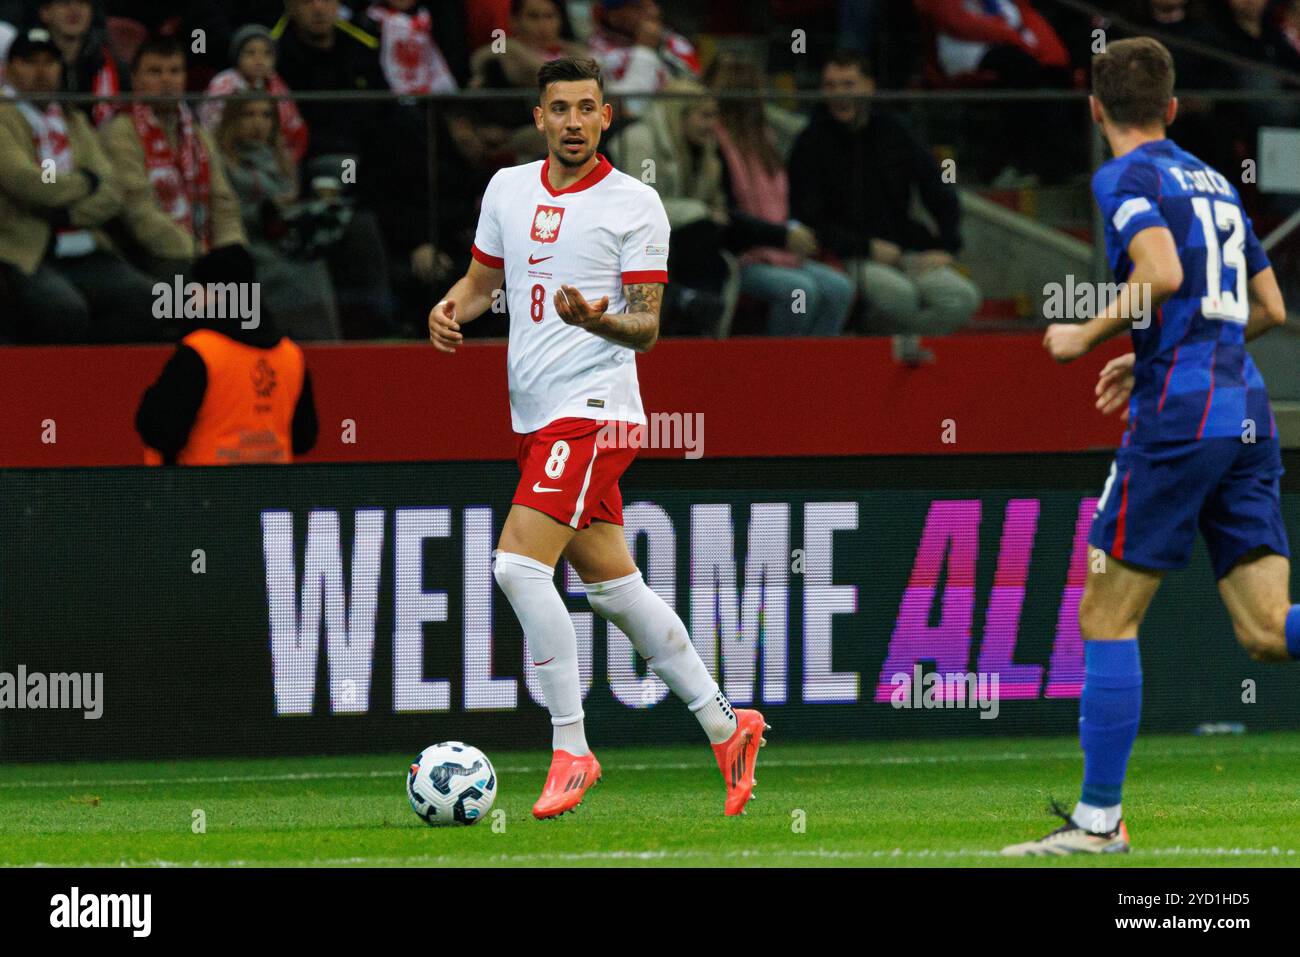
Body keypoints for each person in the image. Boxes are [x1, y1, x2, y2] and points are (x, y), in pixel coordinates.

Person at [426, 56, 768, 820]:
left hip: (596, 407)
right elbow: (483, 286)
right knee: (615, 588)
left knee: (516, 566)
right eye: (560, 108)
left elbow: (647, 326)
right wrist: (449, 308)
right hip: (536, 414)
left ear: (606, 116)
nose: (575, 121)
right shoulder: (506, 189)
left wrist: (597, 320)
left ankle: (572, 746)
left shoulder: (636, 203)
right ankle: (725, 722)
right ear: (540, 117)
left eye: (588, 107)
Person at [1006, 37, 1294, 856]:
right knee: (1268, 630)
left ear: (1095, 109)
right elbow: (1266, 305)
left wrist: (1091, 334)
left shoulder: (1125, 176)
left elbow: (1162, 271)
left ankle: (1099, 822)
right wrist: (1153, 348)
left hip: (1181, 423)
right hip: (1246, 413)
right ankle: (1098, 820)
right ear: (1171, 109)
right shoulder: (1213, 182)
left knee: (1104, 613)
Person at [789, 52, 980, 361]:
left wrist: (947, 245)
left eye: (848, 84)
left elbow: (937, 188)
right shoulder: (810, 142)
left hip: (905, 246)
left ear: (868, 87)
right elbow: (806, 218)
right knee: (900, 298)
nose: (839, 94)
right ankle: (889, 353)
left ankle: (886, 348)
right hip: (847, 254)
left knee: (961, 297)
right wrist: (865, 247)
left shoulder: (896, 130)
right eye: (831, 85)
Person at [0, 26, 154, 342]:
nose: (42, 72)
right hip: (29, 248)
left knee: (151, 301)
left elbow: (113, 188)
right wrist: (85, 182)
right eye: (30, 62)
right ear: (8, 69)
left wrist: (69, 215)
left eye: (50, 62)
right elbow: (31, 180)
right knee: (64, 311)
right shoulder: (4, 116)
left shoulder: (74, 119)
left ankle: (104, 383)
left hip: (84, 242)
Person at [136, 244, 319, 465]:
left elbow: (158, 431)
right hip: (271, 493)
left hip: (201, 492)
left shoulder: (199, 353)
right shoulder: (290, 355)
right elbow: (304, 439)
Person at [711, 56, 854, 336]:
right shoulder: (716, 144)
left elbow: (784, 204)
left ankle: (813, 367)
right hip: (741, 255)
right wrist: (781, 236)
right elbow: (728, 218)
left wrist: (795, 231)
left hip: (779, 248)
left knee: (840, 288)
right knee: (799, 292)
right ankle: (779, 369)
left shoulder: (764, 138)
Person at [99, 35, 246, 278]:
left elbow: (223, 201)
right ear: (135, 79)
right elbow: (138, 213)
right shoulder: (121, 132)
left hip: (204, 252)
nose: (167, 80)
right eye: (155, 72)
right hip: (151, 253)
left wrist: (232, 247)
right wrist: (200, 255)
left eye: (175, 71)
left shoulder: (196, 133)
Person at [216, 94, 340, 340]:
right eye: (248, 115)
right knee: (296, 273)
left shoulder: (279, 158)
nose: (258, 123)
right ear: (232, 120)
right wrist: (267, 209)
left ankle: (326, 347)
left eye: (265, 116)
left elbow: (290, 204)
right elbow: (223, 213)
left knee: (316, 260)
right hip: (247, 242)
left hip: (282, 239)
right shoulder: (222, 160)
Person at [200, 24, 309, 164]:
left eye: (267, 53)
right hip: (229, 156)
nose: (259, 60)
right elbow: (212, 130)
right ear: (237, 57)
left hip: (272, 156)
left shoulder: (277, 84)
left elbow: (294, 129)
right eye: (250, 53)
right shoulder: (223, 84)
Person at [32, 0, 127, 126]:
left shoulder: (110, 62)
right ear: (45, 12)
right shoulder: (27, 62)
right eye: (65, 3)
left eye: (82, 3)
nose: (74, 10)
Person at [469, 0, 586, 90]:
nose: (543, 25)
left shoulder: (576, 55)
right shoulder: (503, 57)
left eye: (549, 16)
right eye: (533, 16)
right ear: (514, 21)